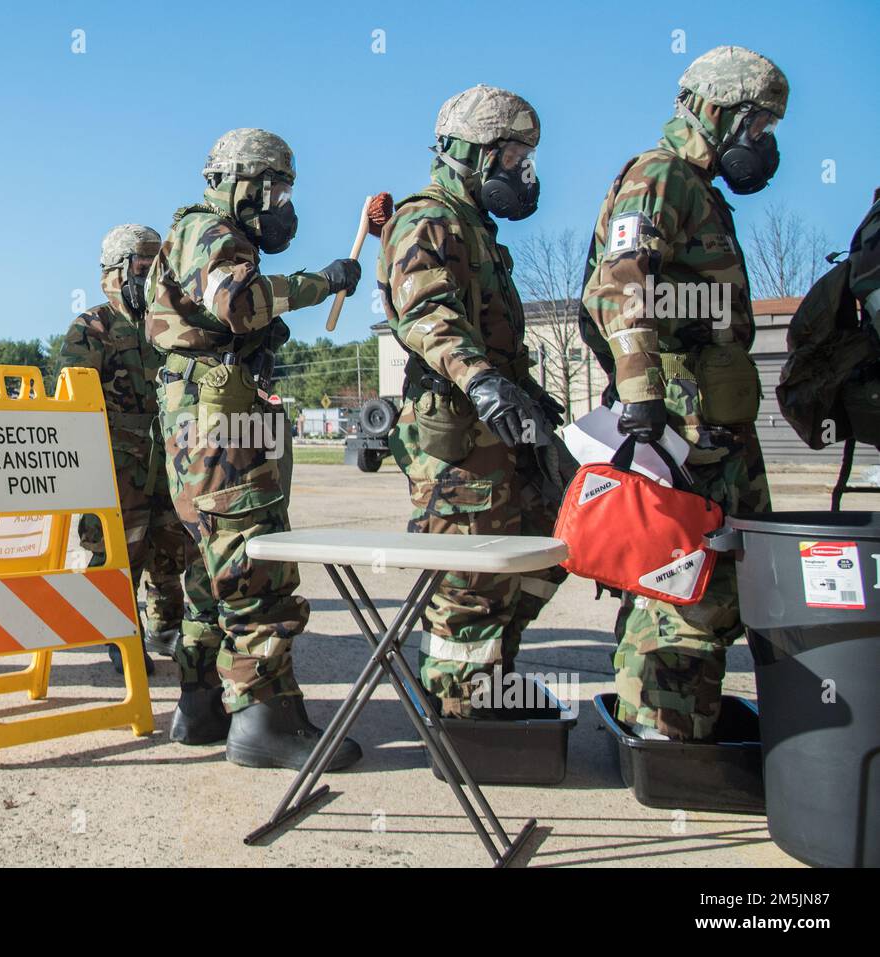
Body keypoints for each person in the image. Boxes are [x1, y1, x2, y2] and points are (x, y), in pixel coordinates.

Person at [580, 46, 789, 740]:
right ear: (717, 112)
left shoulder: (697, 188)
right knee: (683, 579)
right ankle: (663, 734)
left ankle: (683, 724)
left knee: (721, 578)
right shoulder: (659, 176)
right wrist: (641, 395)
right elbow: (619, 282)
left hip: (716, 425)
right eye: (756, 126)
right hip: (684, 425)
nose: (763, 144)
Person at [145, 127, 364, 768]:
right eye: (277, 188)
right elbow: (238, 303)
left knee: (213, 570)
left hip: (208, 413)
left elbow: (222, 321)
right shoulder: (210, 233)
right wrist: (319, 284)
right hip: (220, 423)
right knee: (253, 562)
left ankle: (203, 705)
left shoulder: (206, 235)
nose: (284, 203)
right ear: (242, 183)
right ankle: (264, 722)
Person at [376, 85, 568, 720]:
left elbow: (493, 329)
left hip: (500, 423)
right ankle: (461, 705)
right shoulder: (425, 220)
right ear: (474, 154)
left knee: (548, 540)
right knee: (472, 570)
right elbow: (428, 313)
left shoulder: (475, 228)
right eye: (514, 158)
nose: (523, 173)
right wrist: (482, 380)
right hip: (456, 429)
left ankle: (493, 673)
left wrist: (527, 393)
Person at [59, 224, 194, 676]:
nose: (153, 277)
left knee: (171, 545)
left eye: (159, 268)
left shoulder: (172, 323)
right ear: (117, 272)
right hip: (115, 464)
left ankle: (167, 625)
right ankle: (118, 632)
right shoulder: (90, 327)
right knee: (117, 551)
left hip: (170, 458)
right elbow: (73, 402)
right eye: (142, 268)